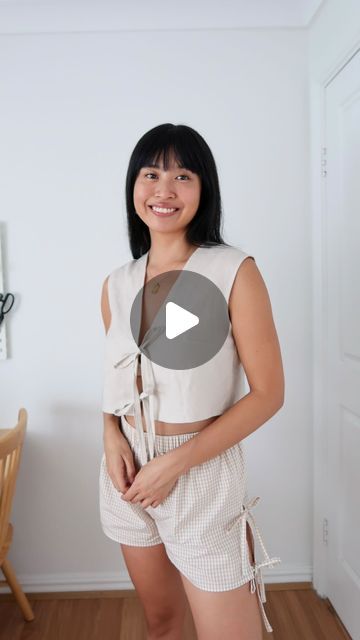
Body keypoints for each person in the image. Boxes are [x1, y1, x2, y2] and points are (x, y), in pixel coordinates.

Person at [99, 123, 284, 640]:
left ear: (204, 190)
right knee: (162, 622)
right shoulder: (117, 282)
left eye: (183, 175)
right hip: (126, 472)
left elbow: (270, 394)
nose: (164, 189)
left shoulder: (233, 271)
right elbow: (120, 379)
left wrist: (175, 464)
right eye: (151, 173)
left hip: (197, 471)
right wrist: (110, 434)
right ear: (134, 186)